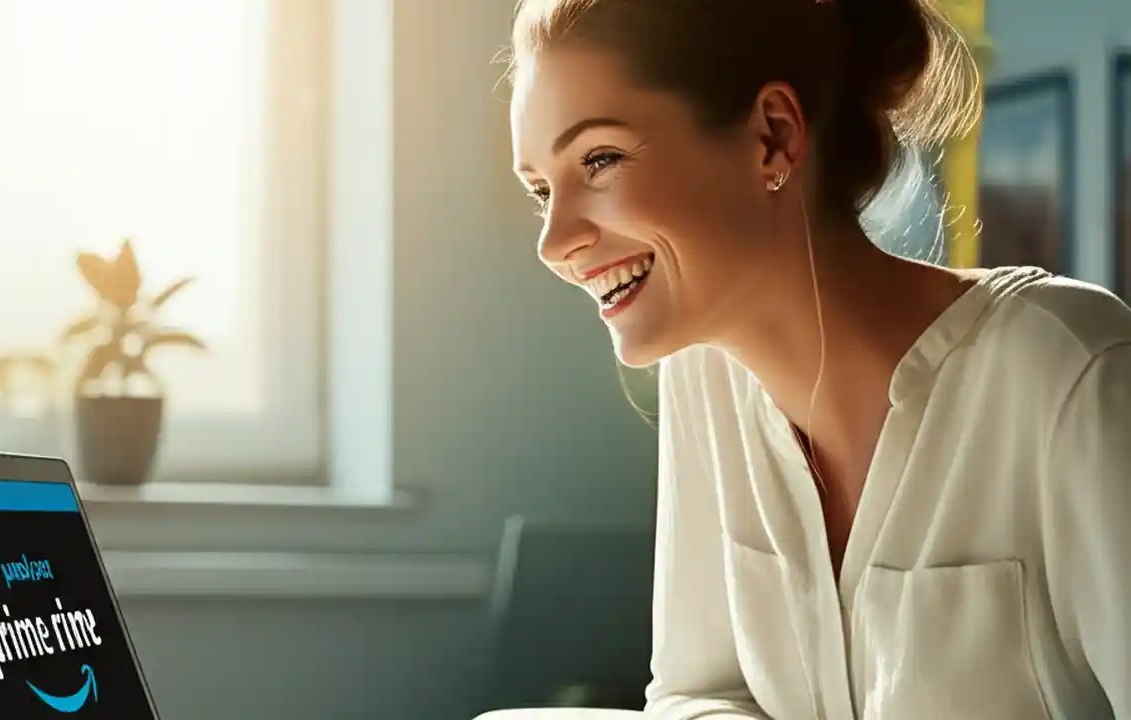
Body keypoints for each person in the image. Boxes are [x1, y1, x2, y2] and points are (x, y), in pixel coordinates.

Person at [478, 0, 1131, 718]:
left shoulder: (1072, 374)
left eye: (599, 160)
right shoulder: (702, 371)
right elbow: (700, 690)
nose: (555, 242)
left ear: (772, 136)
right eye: (542, 190)